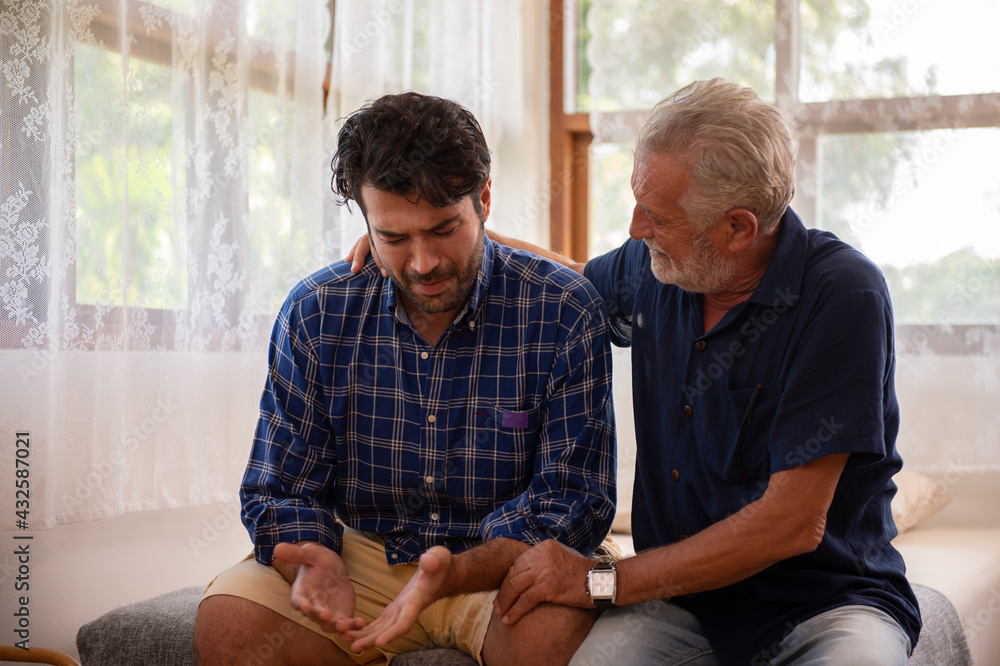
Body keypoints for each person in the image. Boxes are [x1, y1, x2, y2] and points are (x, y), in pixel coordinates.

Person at [481, 78, 920, 665]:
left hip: (827, 604)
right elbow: (566, 283)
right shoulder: (659, 265)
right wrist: (457, 242)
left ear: (738, 228)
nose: (636, 229)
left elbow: (791, 524)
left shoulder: (843, 294)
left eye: (657, 216)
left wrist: (599, 580)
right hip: (679, 601)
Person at [194, 91, 617, 666]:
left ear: (484, 201)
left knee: (554, 642)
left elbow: (573, 501)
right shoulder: (317, 313)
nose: (423, 263)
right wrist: (311, 557)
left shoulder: (565, 310)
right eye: (393, 238)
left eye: (444, 229)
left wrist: (453, 573)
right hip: (363, 553)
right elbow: (283, 488)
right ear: (366, 222)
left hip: (503, 562)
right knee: (230, 623)